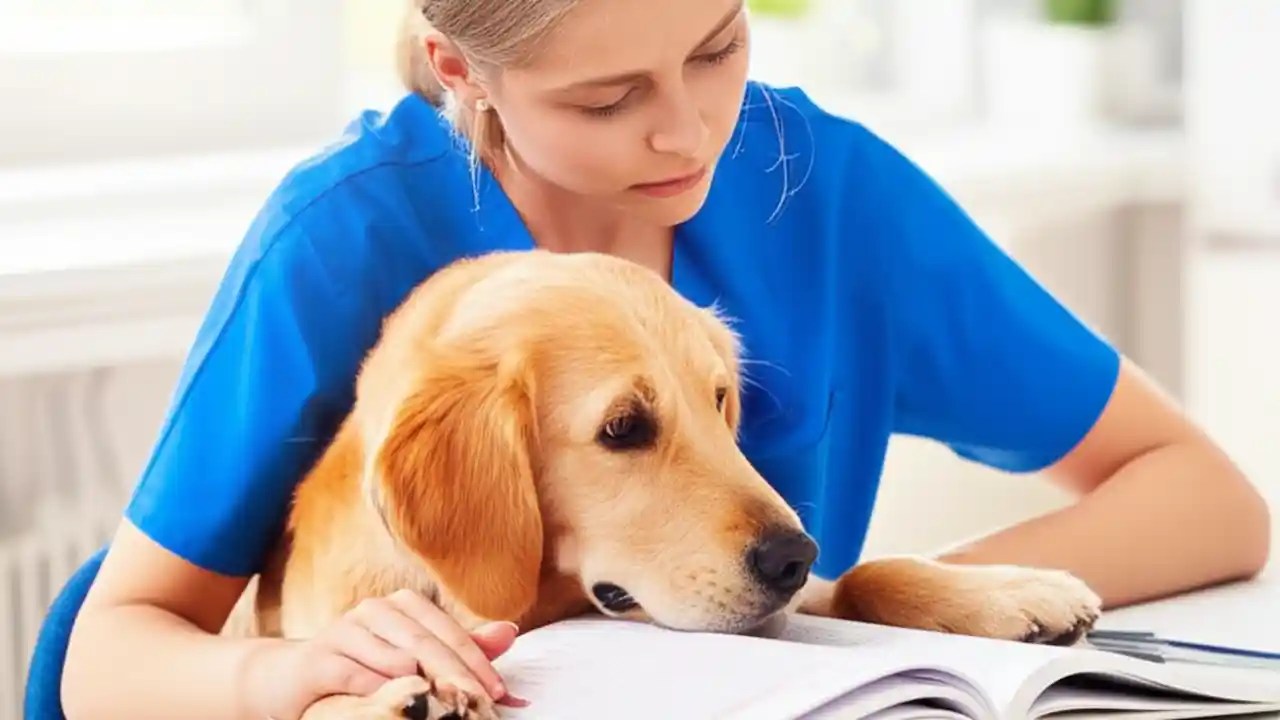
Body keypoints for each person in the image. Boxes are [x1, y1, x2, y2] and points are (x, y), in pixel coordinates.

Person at [59, 0, 1271, 718]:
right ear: (456, 69)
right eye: (605, 97)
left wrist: (872, 606)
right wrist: (285, 677)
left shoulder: (827, 192)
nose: (688, 128)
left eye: (715, 44)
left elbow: (1200, 497)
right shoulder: (340, 238)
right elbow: (109, 654)